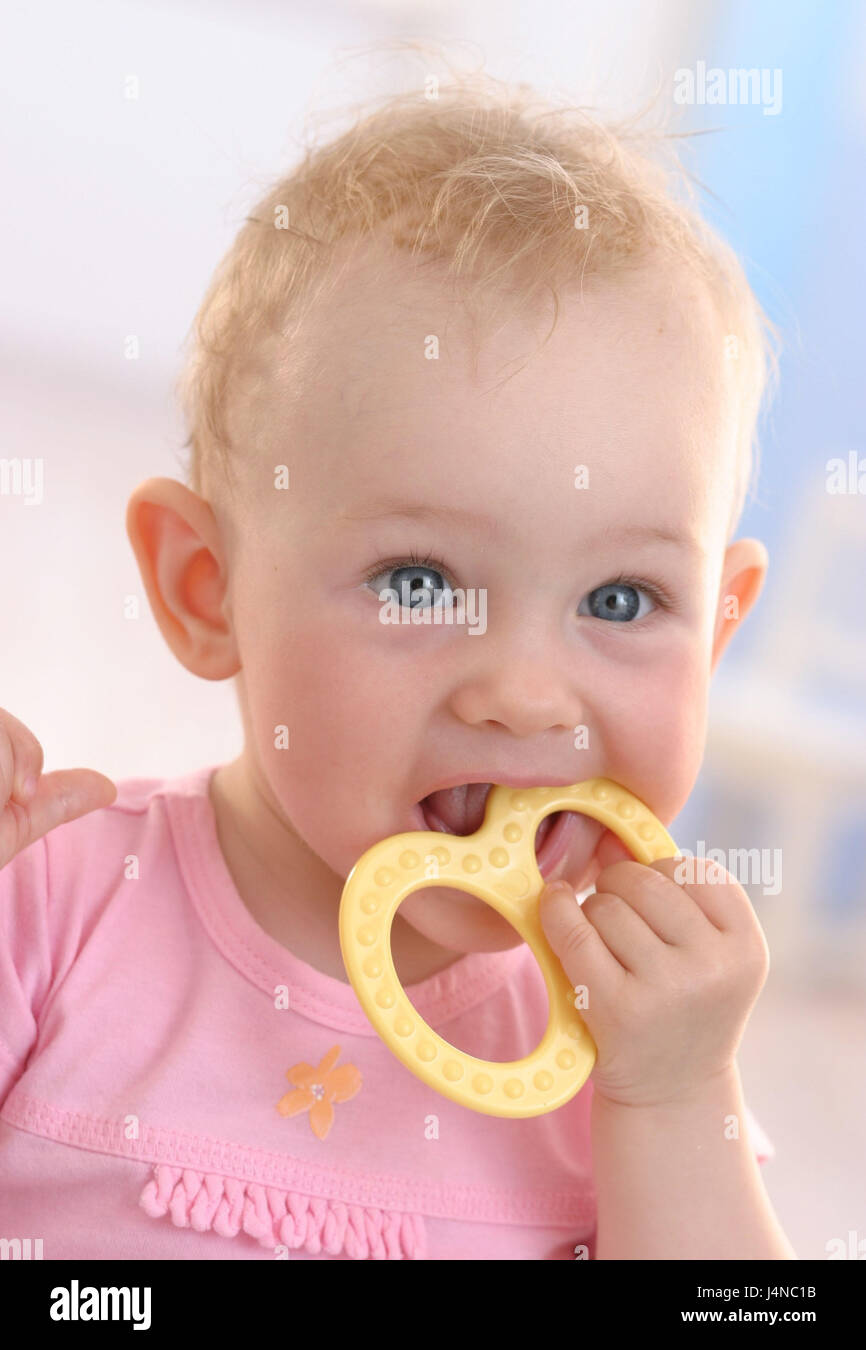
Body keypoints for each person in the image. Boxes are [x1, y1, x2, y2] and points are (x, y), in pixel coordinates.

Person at [0, 73, 795, 1259]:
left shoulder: (635, 1052)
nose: (526, 693)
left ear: (715, 631)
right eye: (419, 582)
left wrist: (673, 1102)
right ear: (203, 589)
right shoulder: (56, 912)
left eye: (620, 599)